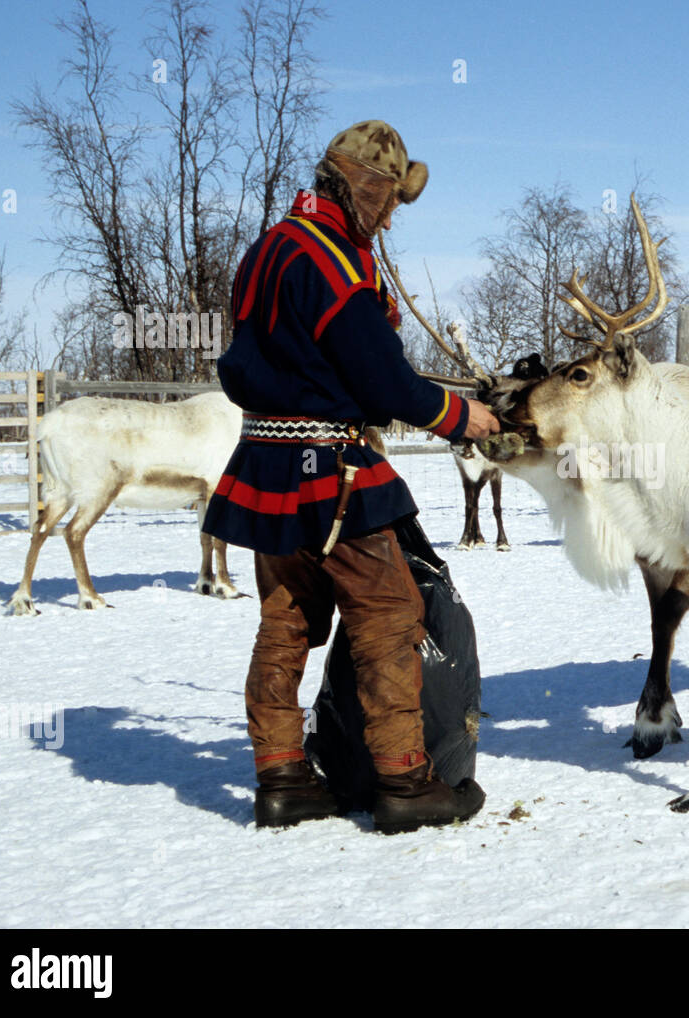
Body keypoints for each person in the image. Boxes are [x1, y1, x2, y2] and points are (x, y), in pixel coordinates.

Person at [202, 119, 500, 833]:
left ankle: (282, 778)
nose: (393, 216)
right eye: (391, 200)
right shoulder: (334, 261)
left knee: (285, 621)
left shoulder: (269, 248)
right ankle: (405, 781)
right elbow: (384, 382)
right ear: (366, 188)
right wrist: (462, 417)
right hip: (330, 469)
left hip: (267, 463)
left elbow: (297, 359)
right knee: (389, 616)